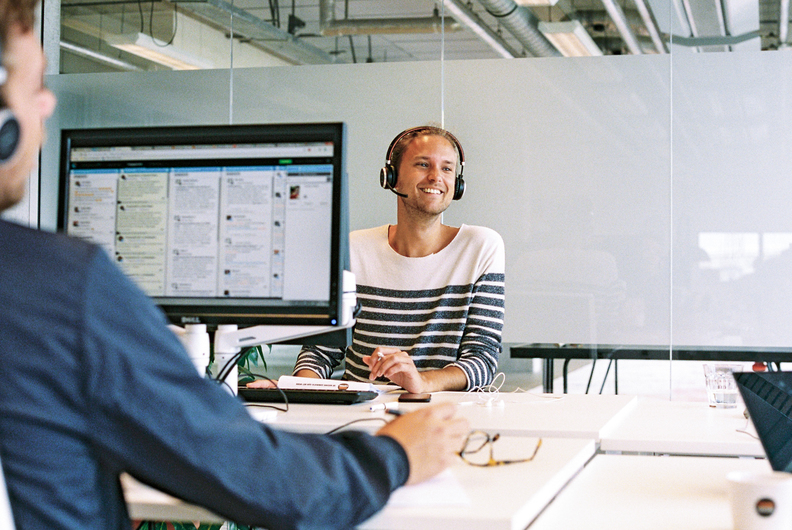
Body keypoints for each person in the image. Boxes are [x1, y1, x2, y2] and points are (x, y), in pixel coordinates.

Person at [0, 3, 470, 529]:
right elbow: (263, 480)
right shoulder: (58, 287)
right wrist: (396, 455)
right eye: (33, 85)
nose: (48, 102)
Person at [288, 126, 505, 393]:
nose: (436, 176)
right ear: (391, 178)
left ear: (457, 184)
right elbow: (319, 352)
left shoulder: (480, 247)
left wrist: (422, 382)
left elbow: (482, 359)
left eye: (447, 168)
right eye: (423, 164)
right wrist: (296, 389)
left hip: (442, 409)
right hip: (361, 408)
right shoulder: (354, 248)